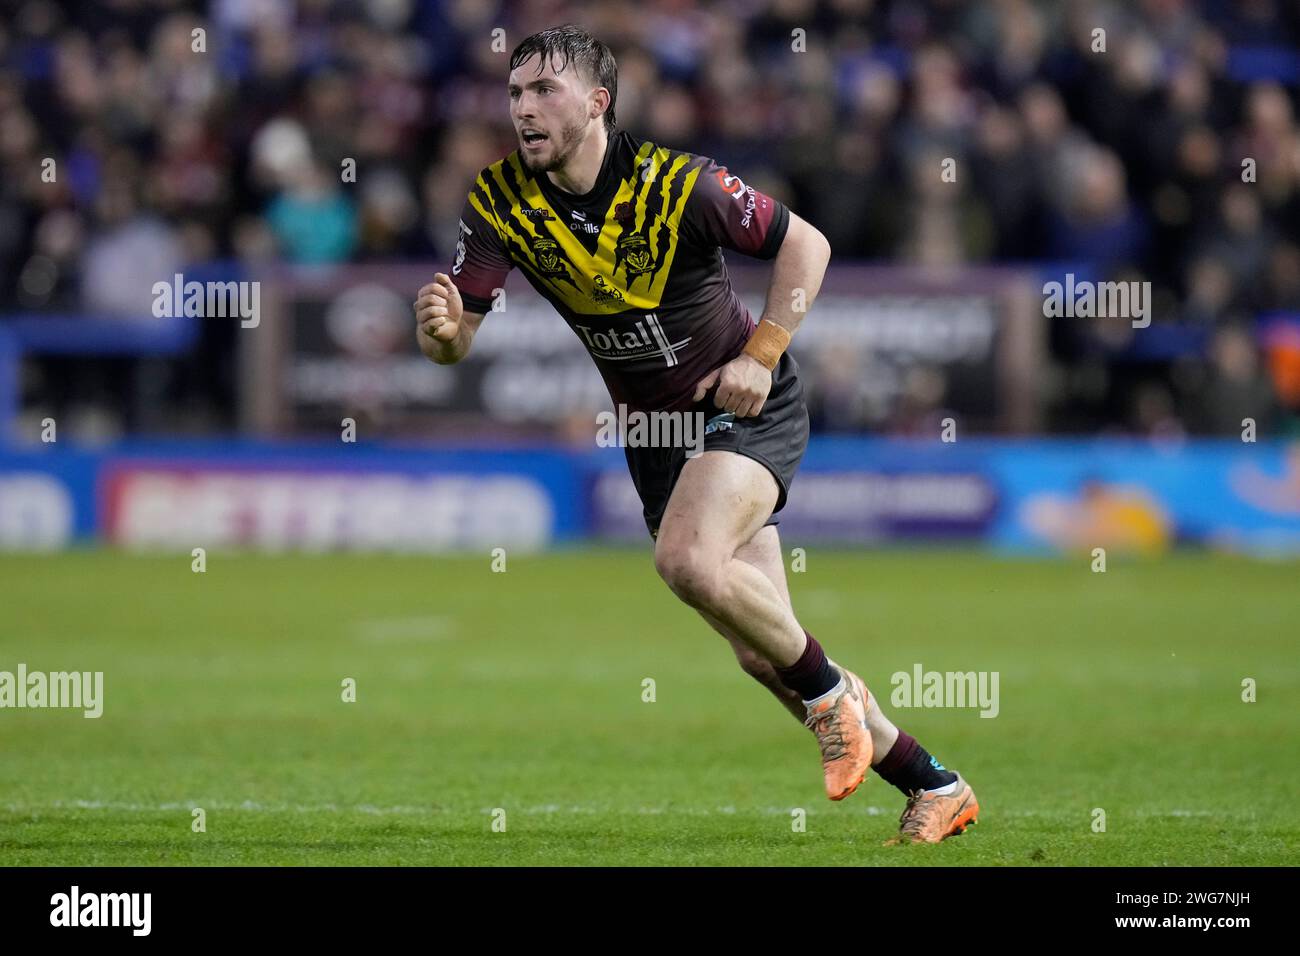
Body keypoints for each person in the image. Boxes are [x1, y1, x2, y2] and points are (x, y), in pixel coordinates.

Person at [414, 24, 978, 843]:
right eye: (514, 93)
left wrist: (762, 353)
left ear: (597, 102)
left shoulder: (678, 184)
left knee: (685, 560)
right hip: (655, 433)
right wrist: (439, 333)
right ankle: (934, 783)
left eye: (544, 92)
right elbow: (456, 337)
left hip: (741, 403)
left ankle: (834, 698)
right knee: (763, 650)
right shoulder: (500, 200)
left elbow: (806, 246)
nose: (523, 109)